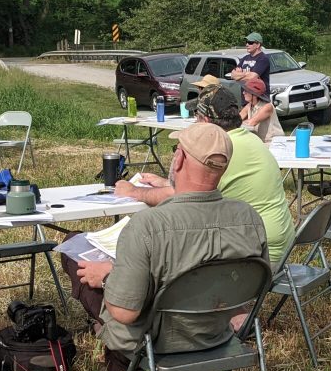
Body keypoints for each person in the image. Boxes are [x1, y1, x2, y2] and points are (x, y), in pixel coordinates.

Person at [63, 123, 269, 371]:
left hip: (157, 342)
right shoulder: (250, 219)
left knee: (76, 255)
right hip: (216, 333)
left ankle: (121, 365)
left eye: (176, 149)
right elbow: (251, 288)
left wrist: (106, 278)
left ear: (180, 158)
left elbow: (125, 313)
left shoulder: (147, 226)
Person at [112, 87, 296, 265]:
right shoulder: (250, 140)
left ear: (205, 121)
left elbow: (180, 198)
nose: (193, 123)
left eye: (196, 118)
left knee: (156, 253)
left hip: (255, 256)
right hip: (274, 245)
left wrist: (134, 191)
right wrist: (164, 182)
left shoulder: (219, 151)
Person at [240, 74, 283, 142]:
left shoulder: (267, 107)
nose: (243, 93)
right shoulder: (249, 105)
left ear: (254, 94)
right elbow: (237, 119)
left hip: (274, 143)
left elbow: (251, 123)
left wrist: (234, 124)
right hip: (262, 143)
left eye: (246, 91)